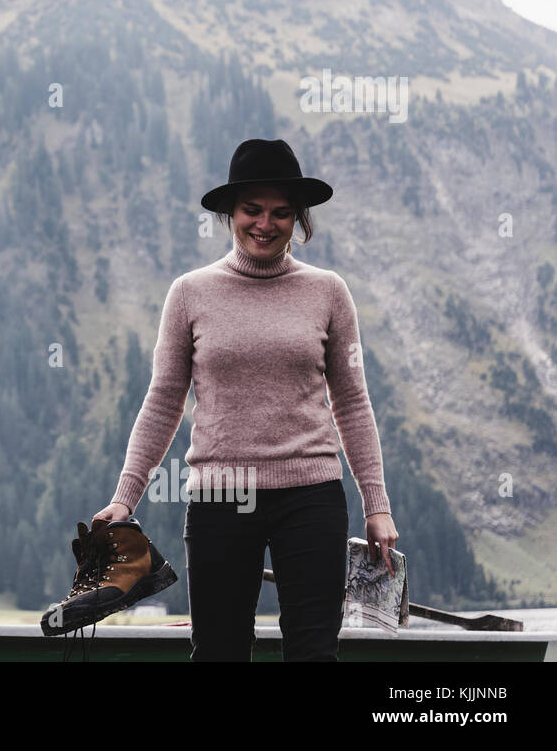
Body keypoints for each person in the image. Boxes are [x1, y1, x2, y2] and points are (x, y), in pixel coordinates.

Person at [93, 138, 399, 661]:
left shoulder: (329, 292)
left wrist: (377, 505)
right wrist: (126, 497)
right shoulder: (189, 293)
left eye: (281, 213)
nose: (265, 223)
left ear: (299, 219)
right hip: (220, 495)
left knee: (313, 650)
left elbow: (351, 402)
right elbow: (164, 400)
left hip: (312, 493)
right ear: (229, 214)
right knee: (218, 649)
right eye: (252, 210)